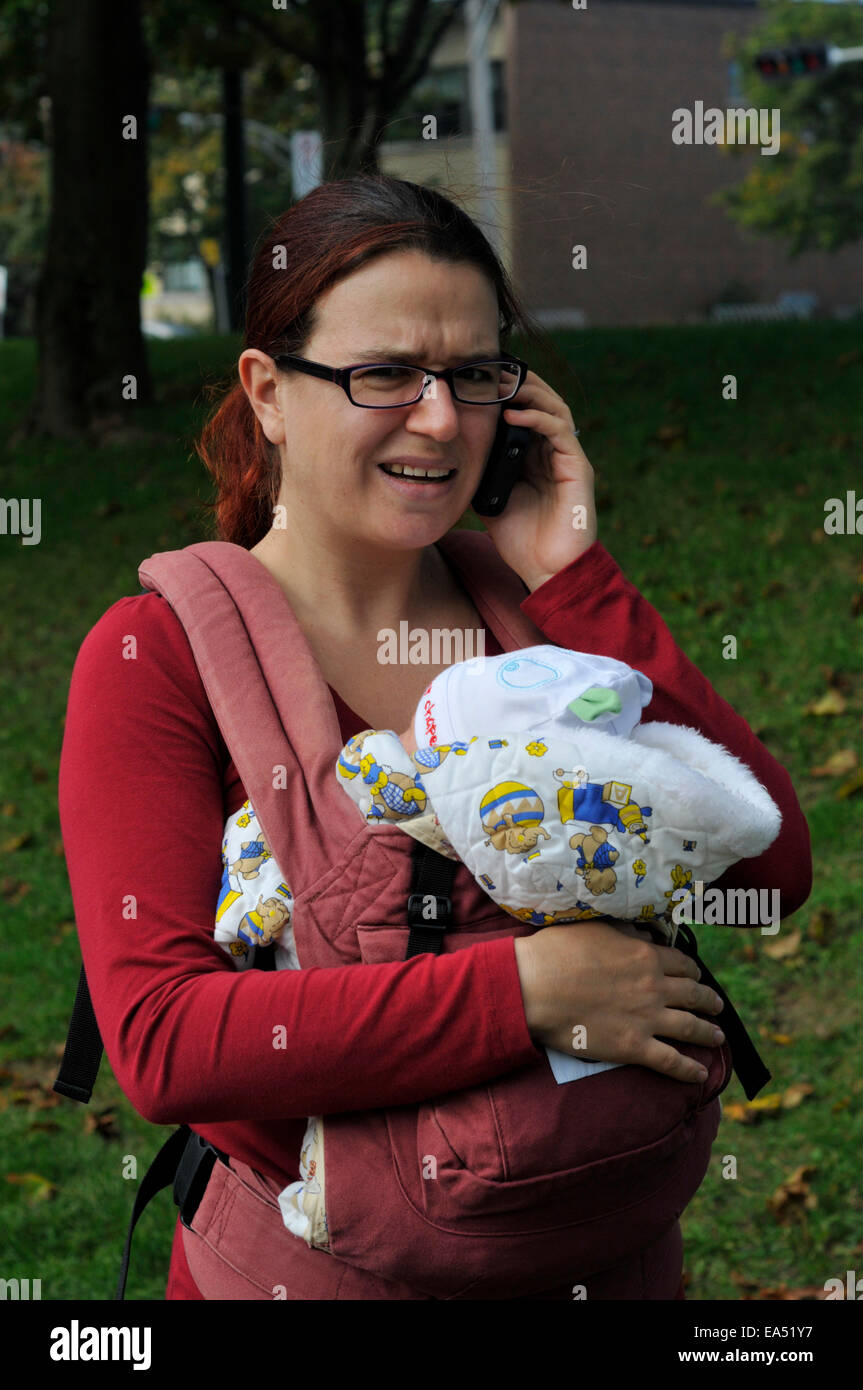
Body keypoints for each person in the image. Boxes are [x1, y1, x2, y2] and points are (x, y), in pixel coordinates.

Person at [57, 174, 812, 1300]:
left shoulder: (527, 613)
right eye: (384, 373)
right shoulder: (158, 657)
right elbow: (165, 1040)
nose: (441, 419)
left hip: (602, 1254)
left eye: (474, 374)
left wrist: (573, 571)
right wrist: (526, 993)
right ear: (266, 391)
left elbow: (766, 865)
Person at [213, 641, 782, 1250]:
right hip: (637, 1189)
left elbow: (238, 935)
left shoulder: (354, 792)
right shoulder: (627, 840)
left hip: (409, 1211)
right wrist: (527, 988)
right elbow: (167, 1041)